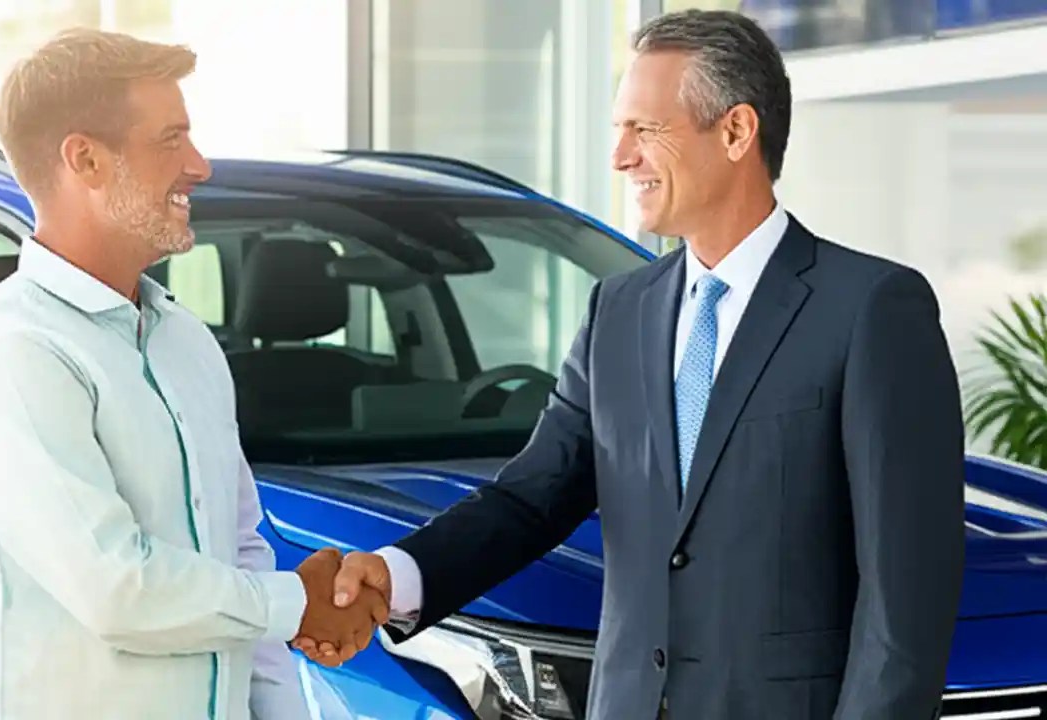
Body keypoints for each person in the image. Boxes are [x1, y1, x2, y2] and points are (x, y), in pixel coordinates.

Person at [299, 9, 967, 719]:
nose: (619, 157)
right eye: (618, 129)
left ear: (737, 131)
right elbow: (533, 499)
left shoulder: (869, 308)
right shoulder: (618, 311)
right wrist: (397, 575)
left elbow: (907, 596)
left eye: (644, 130)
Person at [0, 28, 385, 720]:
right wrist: (297, 602)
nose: (199, 165)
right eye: (171, 139)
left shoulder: (185, 343)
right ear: (86, 159)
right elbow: (116, 585)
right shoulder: (10, 353)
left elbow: (241, 555)